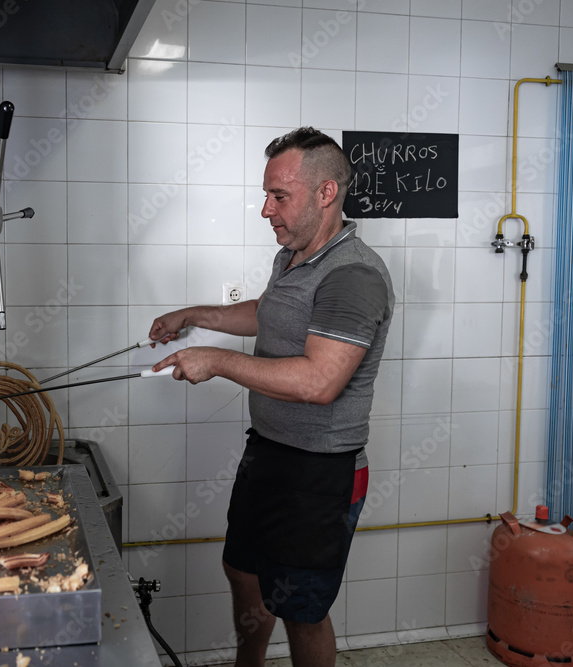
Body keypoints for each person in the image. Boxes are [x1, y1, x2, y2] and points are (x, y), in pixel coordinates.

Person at [148, 127, 394, 667]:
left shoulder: (353, 275)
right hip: (271, 451)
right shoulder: (295, 255)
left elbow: (319, 382)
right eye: (267, 195)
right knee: (244, 570)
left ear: (326, 193)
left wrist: (215, 362)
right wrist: (194, 317)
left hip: (321, 469)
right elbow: (267, 313)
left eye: (279, 196)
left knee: (302, 609)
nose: (266, 210)